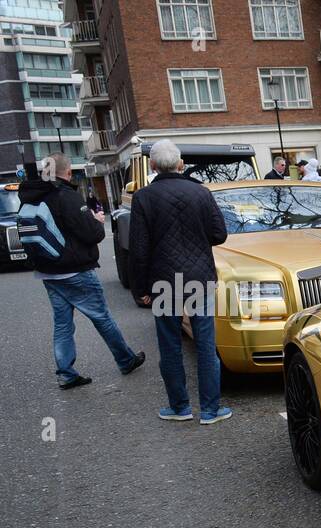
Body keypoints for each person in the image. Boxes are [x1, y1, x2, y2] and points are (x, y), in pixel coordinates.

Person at [18, 152, 145, 390]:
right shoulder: (66, 197)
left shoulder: (31, 198)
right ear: (67, 172)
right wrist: (97, 221)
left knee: (63, 323)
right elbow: (94, 234)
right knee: (101, 316)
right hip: (75, 270)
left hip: (48, 271)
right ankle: (125, 359)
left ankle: (66, 373)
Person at [128, 138, 232, 424]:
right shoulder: (201, 192)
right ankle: (211, 410)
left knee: (170, 345)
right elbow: (219, 235)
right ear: (180, 163)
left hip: (163, 283)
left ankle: (179, 407)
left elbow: (139, 249)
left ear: (151, 165)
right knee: (206, 345)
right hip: (200, 278)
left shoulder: (144, 198)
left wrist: (140, 290)